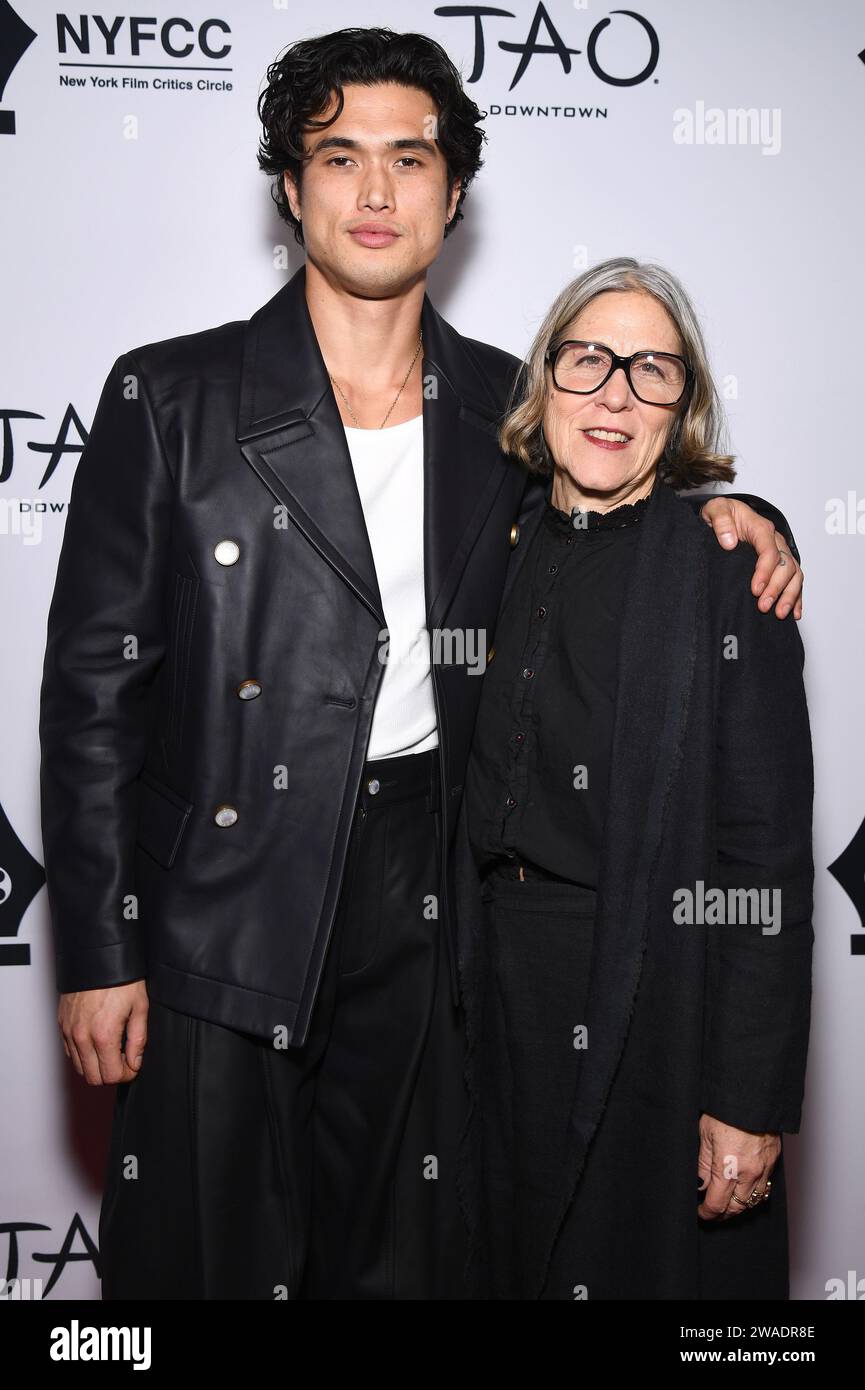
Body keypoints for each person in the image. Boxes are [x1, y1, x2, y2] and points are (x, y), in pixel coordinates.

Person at [39, 30, 803, 1300]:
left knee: (407, 1265)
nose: (376, 191)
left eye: (410, 159)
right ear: (291, 187)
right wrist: (99, 946)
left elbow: (620, 513)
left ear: (454, 195)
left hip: (433, 907)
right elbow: (91, 702)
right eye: (340, 157)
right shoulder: (170, 398)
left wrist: (740, 517)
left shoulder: (508, 410)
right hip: (218, 905)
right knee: (201, 1262)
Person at [454, 256, 814, 1300]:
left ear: (681, 405)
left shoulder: (724, 578)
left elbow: (762, 860)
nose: (615, 393)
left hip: (648, 992)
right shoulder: (486, 543)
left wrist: (746, 1100)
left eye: (651, 370)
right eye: (587, 360)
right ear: (543, 381)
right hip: (485, 991)